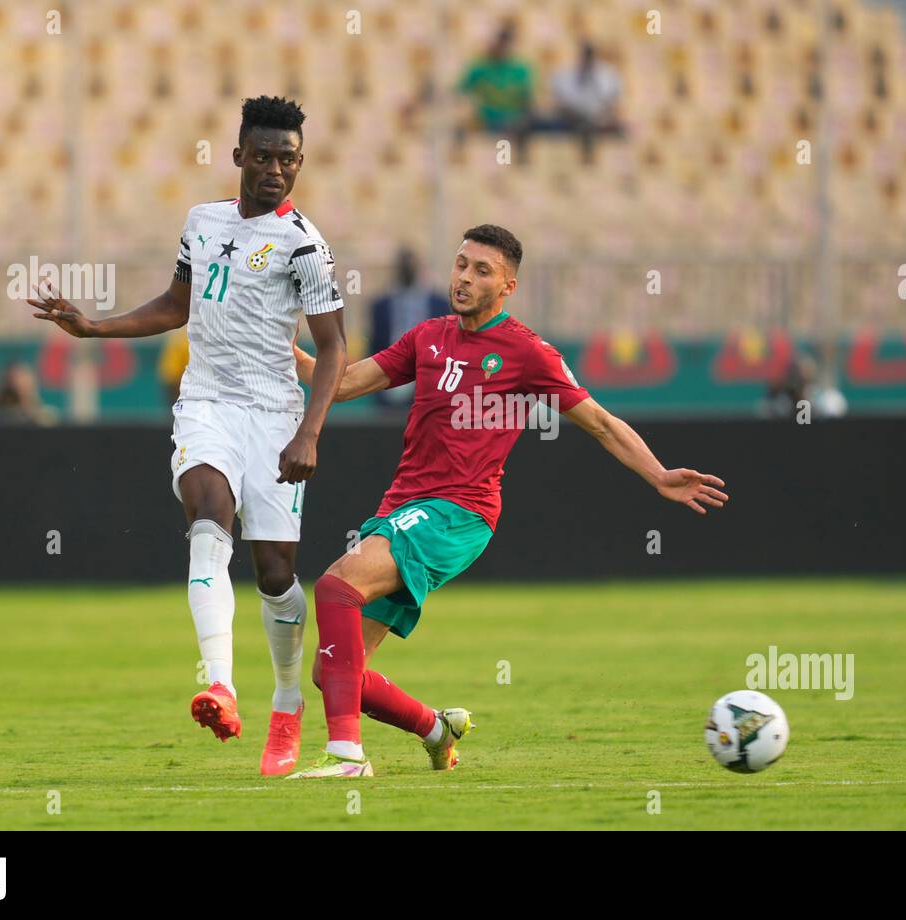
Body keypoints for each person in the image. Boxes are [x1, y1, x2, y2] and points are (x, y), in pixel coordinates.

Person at [289, 224, 728, 778]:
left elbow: (599, 422)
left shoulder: (527, 351)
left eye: (482, 271)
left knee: (335, 585)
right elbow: (343, 383)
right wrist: (279, 344)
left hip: (459, 512)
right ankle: (435, 729)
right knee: (335, 677)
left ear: (508, 287)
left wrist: (659, 475)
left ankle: (347, 758)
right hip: (404, 506)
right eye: (461, 264)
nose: (465, 278)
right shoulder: (426, 337)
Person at [29, 96, 348, 776]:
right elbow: (177, 305)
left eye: (287, 160)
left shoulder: (307, 247)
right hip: (205, 401)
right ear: (237, 157)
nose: (274, 170)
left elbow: (335, 348)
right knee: (208, 518)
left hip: (274, 417)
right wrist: (95, 328)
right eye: (262, 157)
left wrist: (310, 434)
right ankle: (222, 685)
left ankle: (288, 700)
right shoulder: (202, 222)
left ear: (298, 165)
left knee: (276, 575)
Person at [368, 247, 448, 409]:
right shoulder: (381, 304)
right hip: (389, 374)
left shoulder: (438, 303)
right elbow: (374, 342)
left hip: (428, 375)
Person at [456, 23, 534, 159]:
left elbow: (527, 100)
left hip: (514, 120)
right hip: (487, 119)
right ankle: (502, 162)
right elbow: (460, 91)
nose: (501, 47)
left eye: (505, 43)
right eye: (499, 42)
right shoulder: (480, 68)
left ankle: (516, 163)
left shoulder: (520, 70)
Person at [548, 41, 623, 164]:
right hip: (572, 120)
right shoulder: (565, 74)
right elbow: (562, 102)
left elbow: (611, 103)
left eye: (590, 55)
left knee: (620, 132)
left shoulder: (608, 75)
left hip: (599, 120)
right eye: (585, 55)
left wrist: (601, 115)